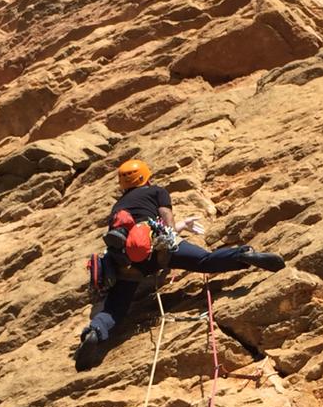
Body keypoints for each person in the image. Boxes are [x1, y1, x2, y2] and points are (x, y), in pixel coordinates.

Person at [76, 158, 284, 369]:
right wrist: (174, 232)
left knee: (115, 307)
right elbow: (165, 218)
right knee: (205, 261)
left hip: (128, 260)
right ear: (146, 178)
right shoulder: (156, 191)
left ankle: (95, 332)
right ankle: (244, 255)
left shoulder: (118, 206)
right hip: (157, 245)